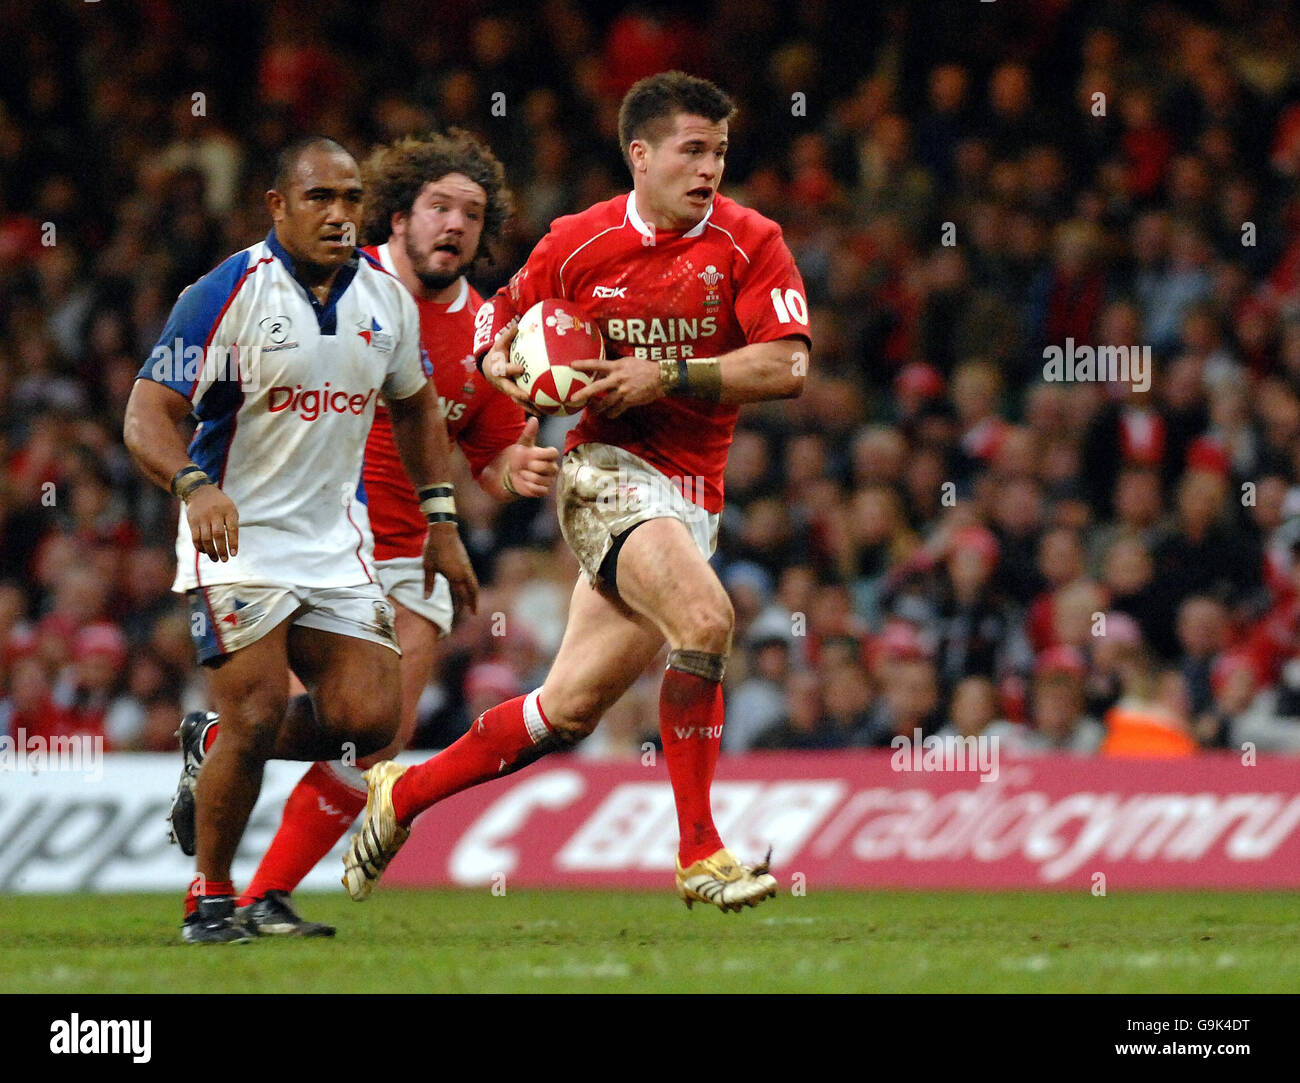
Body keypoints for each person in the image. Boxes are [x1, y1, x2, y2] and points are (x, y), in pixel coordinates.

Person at [344, 71, 811, 912]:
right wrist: (517, 378)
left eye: (721, 153)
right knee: (707, 621)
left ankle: (400, 797)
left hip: (693, 494)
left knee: (565, 710)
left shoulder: (751, 242)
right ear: (640, 155)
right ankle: (701, 851)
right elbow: (492, 339)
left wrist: (665, 371)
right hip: (603, 476)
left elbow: (788, 365)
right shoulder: (577, 243)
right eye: (692, 150)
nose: (709, 169)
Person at [198, 130, 556, 936]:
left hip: (415, 555)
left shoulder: (486, 334)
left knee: (376, 740)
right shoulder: (340, 281)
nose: (454, 225)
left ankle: (262, 894)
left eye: (471, 213)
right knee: (283, 713)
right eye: (439, 207)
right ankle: (227, 798)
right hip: (306, 540)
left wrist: (517, 472)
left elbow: (489, 447)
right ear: (397, 215)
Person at [123, 135, 478, 943]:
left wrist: (442, 518)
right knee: (254, 711)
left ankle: (207, 743)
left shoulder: (386, 300)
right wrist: (192, 484)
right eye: (320, 198)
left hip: (334, 544)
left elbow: (418, 406)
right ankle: (211, 898)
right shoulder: (224, 292)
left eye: (352, 199)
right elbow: (146, 413)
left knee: (373, 720)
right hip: (235, 538)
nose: (340, 215)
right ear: (278, 206)